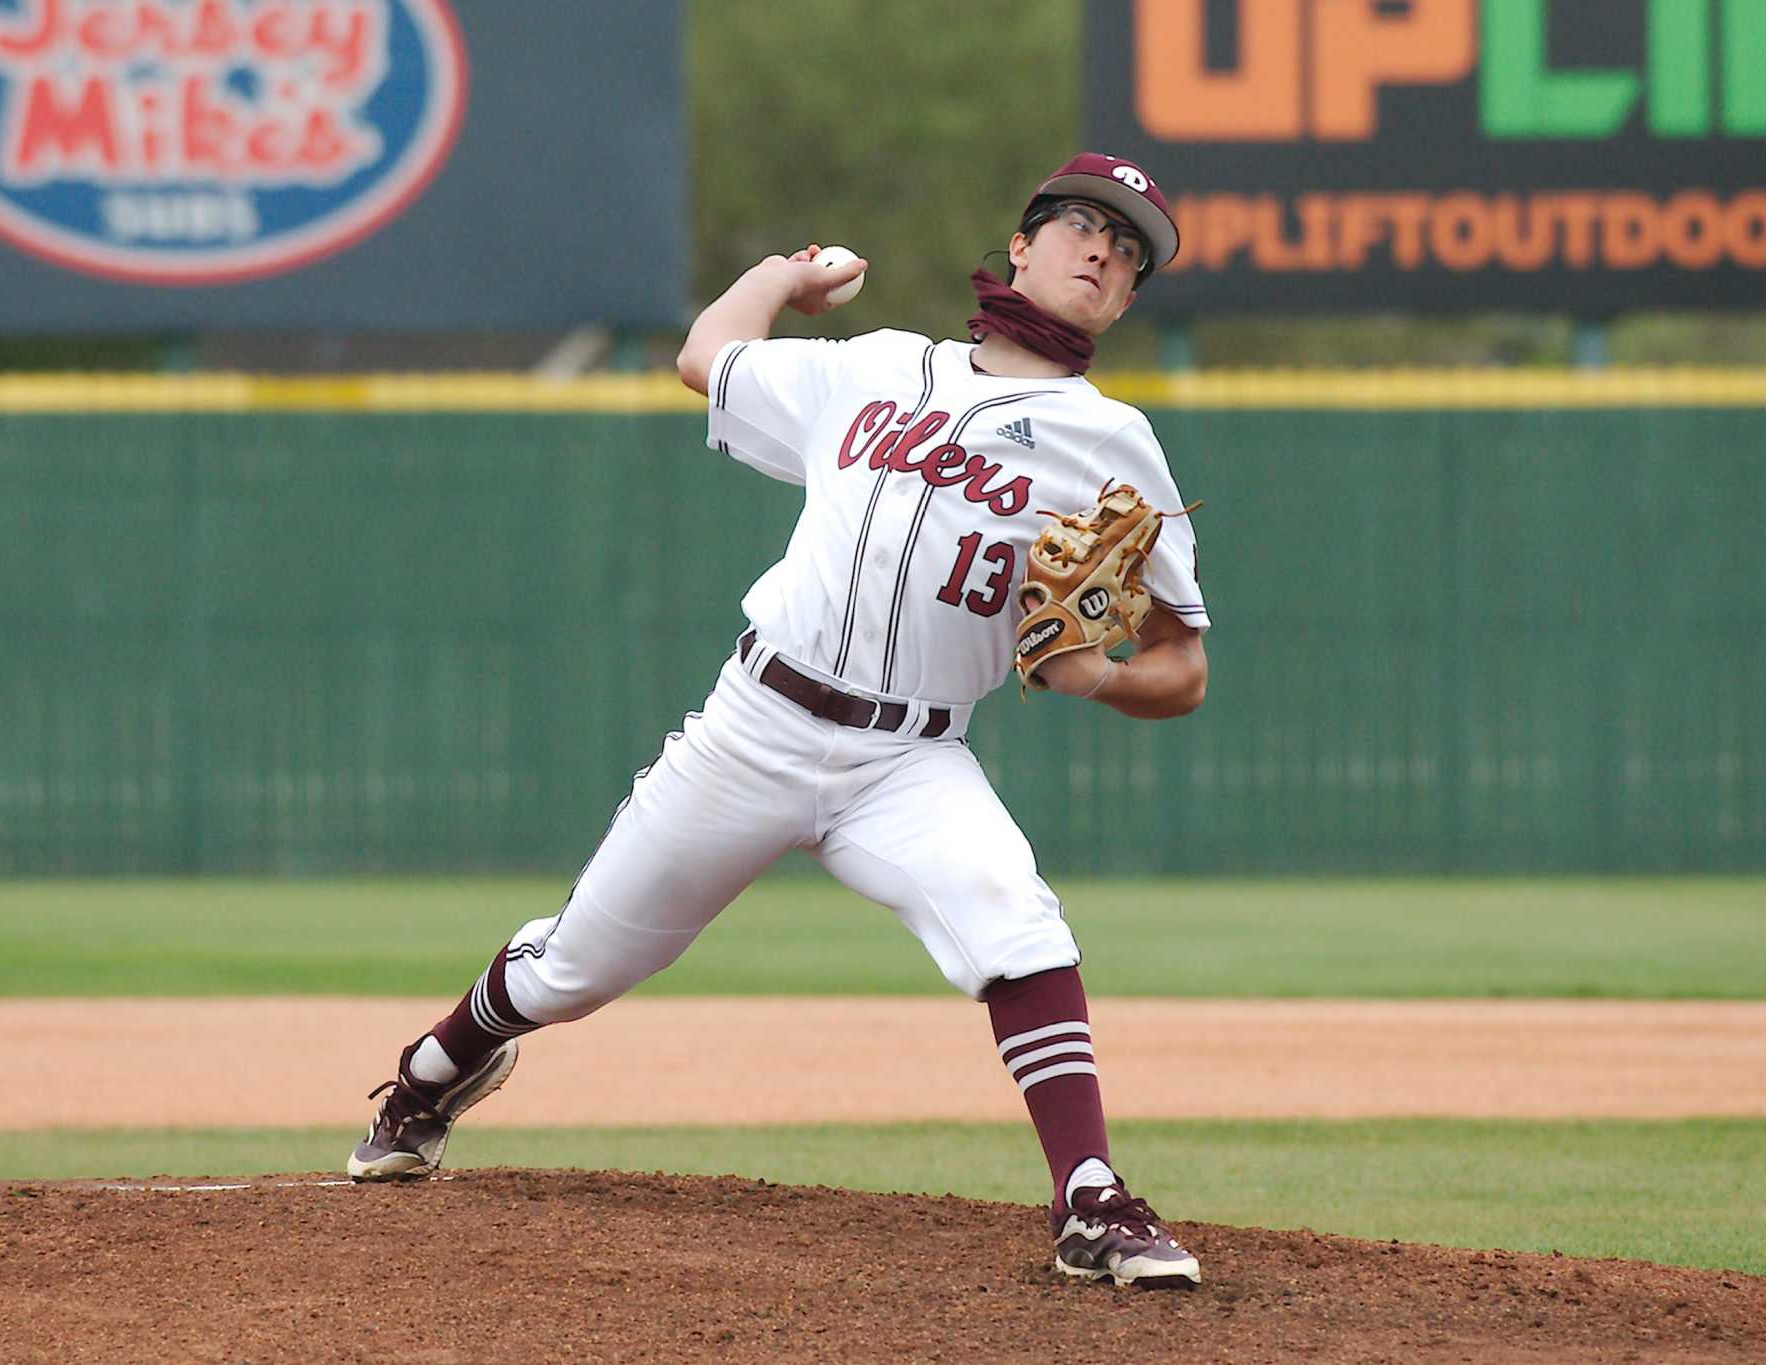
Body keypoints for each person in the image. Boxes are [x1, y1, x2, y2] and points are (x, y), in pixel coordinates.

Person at [348, 152, 1212, 1289]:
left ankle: (1090, 1200)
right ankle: (432, 1069)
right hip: (752, 727)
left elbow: (1181, 661)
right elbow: (705, 356)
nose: (1103, 252)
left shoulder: (1113, 444)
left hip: (910, 757)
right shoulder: (875, 368)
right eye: (1083, 228)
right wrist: (776, 276)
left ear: (1130, 296)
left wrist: (1097, 678)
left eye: (1128, 251)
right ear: (1021, 243)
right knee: (572, 969)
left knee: (1017, 922)